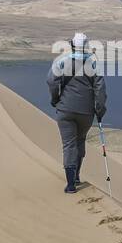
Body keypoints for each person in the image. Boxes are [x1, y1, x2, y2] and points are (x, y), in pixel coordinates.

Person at [46, 32, 107, 193]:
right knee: (79, 141)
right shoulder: (93, 62)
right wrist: (100, 109)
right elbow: (100, 89)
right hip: (86, 112)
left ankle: (71, 184)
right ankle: (77, 176)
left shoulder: (61, 60)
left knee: (68, 145)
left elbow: (51, 81)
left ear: (72, 45)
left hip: (65, 109)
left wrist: (55, 99)